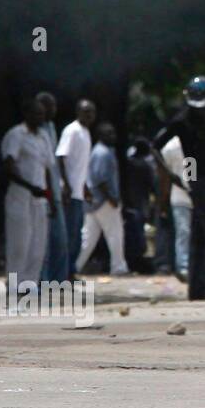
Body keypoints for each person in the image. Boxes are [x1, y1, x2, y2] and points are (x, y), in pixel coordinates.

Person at [152, 76, 205, 300]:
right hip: (199, 179)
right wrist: (171, 176)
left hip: (204, 177)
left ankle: (197, 289)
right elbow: (155, 146)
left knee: (199, 236)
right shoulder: (181, 120)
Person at [0, 97, 57, 295]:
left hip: (40, 198)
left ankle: (30, 283)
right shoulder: (16, 135)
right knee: (20, 242)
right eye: (36, 113)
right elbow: (9, 166)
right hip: (20, 196)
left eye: (42, 114)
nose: (40, 117)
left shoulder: (43, 137)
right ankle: (14, 284)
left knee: (38, 244)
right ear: (26, 114)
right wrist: (30, 186)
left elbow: (47, 169)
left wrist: (51, 198)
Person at [76, 122, 127, 275]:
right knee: (115, 234)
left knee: (88, 238)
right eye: (109, 133)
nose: (113, 136)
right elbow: (101, 180)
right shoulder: (102, 153)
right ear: (101, 136)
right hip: (104, 201)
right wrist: (112, 198)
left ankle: (74, 266)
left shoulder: (101, 151)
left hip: (94, 202)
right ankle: (118, 267)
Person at [55, 98, 96, 278]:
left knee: (77, 236)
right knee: (69, 235)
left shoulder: (86, 132)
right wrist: (66, 185)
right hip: (69, 192)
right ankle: (63, 274)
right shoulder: (72, 131)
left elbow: (81, 164)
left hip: (79, 191)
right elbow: (61, 157)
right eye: (86, 112)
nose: (89, 116)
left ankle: (70, 272)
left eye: (91, 112)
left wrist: (85, 186)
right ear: (78, 112)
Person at [36, 92, 70, 284]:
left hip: (55, 191)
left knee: (60, 242)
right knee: (44, 243)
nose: (52, 110)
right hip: (43, 194)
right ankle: (42, 280)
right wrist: (49, 194)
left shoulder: (51, 128)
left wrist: (62, 185)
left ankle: (58, 281)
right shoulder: (35, 132)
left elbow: (55, 163)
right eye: (49, 106)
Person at [157, 133, 194, 277]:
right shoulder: (172, 148)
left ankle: (186, 265)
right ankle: (183, 266)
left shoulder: (172, 146)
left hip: (185, 195)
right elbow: (166, 175)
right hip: (182, 196)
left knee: (184, 232)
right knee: (184, 232)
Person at [123, 137, 157, 274]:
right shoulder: (144, 166)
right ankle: (137, 262)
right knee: (138, 235)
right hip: (140, 203)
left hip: (127, 203)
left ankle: (131, 261)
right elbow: (152, 185)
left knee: (130, 234)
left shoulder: (128, 163)